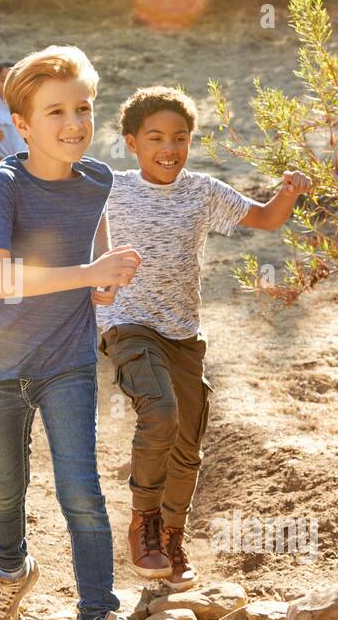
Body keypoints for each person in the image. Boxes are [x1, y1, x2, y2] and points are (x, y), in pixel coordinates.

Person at [0, 44, 143, 620]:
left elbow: (93, 238)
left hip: (67, 361)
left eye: (83, 109)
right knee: (6, 489)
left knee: (81, 490)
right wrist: (88, 274)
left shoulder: (97, 179)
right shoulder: (3, 185)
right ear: (22, 122)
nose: (74, 123)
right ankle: (11, 572)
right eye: (56, 112)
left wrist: (104, 281)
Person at [94, 86, 311, 586]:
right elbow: (76, 225)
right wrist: (92, 280)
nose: (169, 148)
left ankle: (173, 536)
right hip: (128, 323)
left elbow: (265, 217)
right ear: (131, 142)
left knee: (188, 442)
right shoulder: (111, 186)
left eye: (180, 137)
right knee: (161, 412)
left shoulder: (202, 191)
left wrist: (289, 191)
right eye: (155, 138)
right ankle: (143, 521)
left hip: (184, 333)